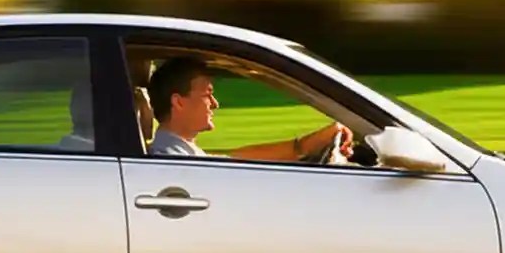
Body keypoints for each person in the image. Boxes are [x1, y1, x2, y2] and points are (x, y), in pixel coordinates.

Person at [146, 56, 353, 161]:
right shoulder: (172, 159)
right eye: (207, 95)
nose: (215, 104)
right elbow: (228, 168)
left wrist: (305, 147)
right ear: (179, 102)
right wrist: (305, 147)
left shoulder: (181, 153)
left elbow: (235, 160)